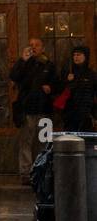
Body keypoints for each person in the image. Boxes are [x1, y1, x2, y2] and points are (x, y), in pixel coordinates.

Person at [10, 38, 56, 182]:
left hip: (44, 109)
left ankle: (43, 171)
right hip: (27, 109)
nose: (34, 48)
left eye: (37, 45)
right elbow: (13, 76)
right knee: (26, 141)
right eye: (31, 45)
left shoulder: (49, 65)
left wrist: (51, 88)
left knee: (44, 142)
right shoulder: (25, 64)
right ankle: (26, 173)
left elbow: (57, 83)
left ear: (43, 48)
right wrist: (22, 60)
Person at [55, 45, 97, 133]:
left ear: (85, 56)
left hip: (86, 114)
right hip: (70, 114)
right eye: (74, 55)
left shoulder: (91, 74)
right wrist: (67, 80)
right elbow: (58, 90)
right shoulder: (68, 73)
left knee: (86, 141)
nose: (76, 57)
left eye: (78, 55)